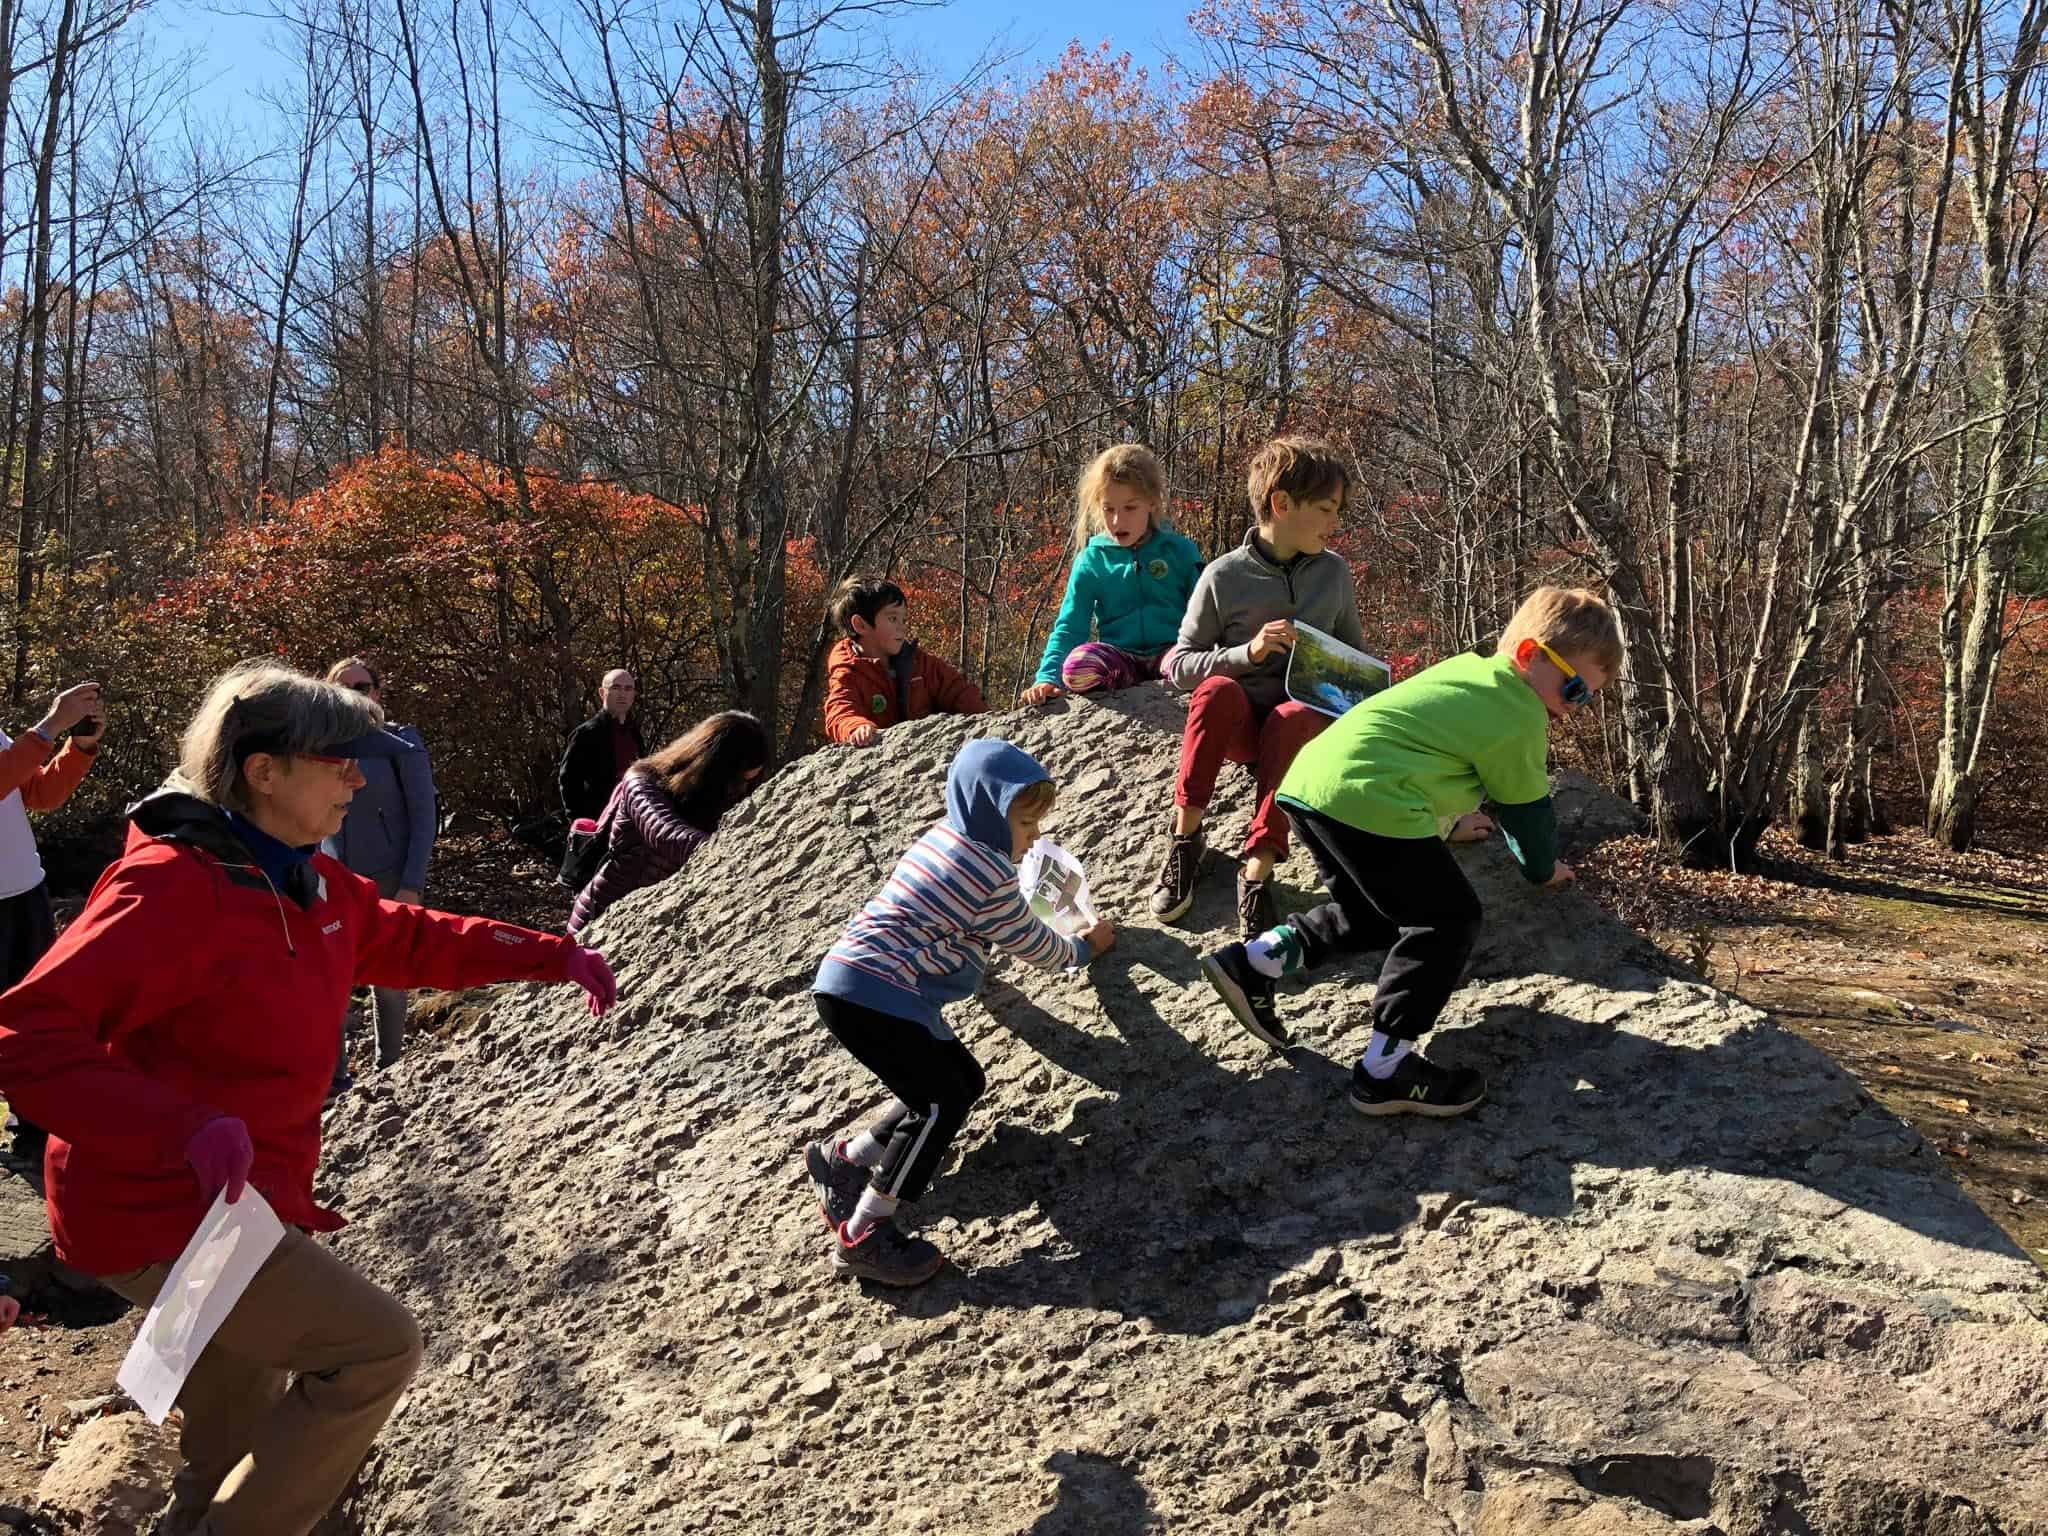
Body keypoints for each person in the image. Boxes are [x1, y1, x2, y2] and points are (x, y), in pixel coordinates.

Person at [0, 659, 618, 1536]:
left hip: (240, 1206)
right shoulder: (173, 888)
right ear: (264, 770)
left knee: (235, 1427)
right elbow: (25, 1036)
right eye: (340, 761)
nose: (360, 778)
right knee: (376, 1348)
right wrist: (184, 1126)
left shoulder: (302, 878)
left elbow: (404, 937)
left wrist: (546, 953)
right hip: (155, 1215)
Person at [1198, 587, 1621, 1117]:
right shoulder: (1520, 712)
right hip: (1372, 798)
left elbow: (1418, 749)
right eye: (1575, 689)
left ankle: (1252, 963)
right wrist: (1541, 870)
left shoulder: (1468, 673)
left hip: (1316, 783)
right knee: (1449, 919)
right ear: (1531, 655)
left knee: (1376, 915)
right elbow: (1527, 814)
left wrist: (1441, 825)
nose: (1573, 708)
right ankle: (1386, 1069)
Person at [806, 739, 1114, 1286]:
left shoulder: (946, 835)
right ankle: (865, 1236)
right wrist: (1087, 947)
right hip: (877, 995)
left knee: (962, 1081)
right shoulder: (988, 873)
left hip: (858, 984)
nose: (1035, 836)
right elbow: (1033, 943)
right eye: (1026, 825)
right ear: (992, 817)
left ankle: (846, 1160)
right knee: (937, 1103)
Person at [1153, 435, 1367, 939]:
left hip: (1302, 725)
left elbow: (1358, 659)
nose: (1334, 524)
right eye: (1325, 509)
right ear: (1281, 505)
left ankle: (1257, 872)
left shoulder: (1333, 574)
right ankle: (1186, 841)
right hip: (1243, 726)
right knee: (1216, 692)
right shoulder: (1222, 576)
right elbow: (1176, 664)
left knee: (1292, 719)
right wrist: (1245, 654)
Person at [1, 679, 106, 1161]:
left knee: (33, 1022)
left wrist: (78, 747)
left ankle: (35, 1128)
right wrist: (48, 726)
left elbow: (39, 793)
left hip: (25, 894)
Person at [1018, 445, 1203, 705]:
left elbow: (1207, 615)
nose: (1117, 521)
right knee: (1077, 667)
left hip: (1172, 652)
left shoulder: (1180, 552)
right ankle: (1128, 684)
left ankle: (1176, 675)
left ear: (1152, 503)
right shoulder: (1091, 560)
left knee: (1196, 664)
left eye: (1130, 508)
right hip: (1119, 660)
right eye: (1108, 509)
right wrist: (1048, 677)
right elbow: (1071, 625)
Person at [321, 658, 435, 1073]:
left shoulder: (399, 743)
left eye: (364, 686)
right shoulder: (315, 743)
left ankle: (389, 1067)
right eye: (345, 686)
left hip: (387, 877)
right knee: (330, 978)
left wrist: (411, 883)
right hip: (328, 877)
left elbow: (424, 817)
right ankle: (334, 1078)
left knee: (387, 977)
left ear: (378, 692)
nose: (356, 693)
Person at [568, 711, 769, 934]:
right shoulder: (642, 781)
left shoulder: (713, 798)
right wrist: (734, 854)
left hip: (654, 923)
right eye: (738, 779)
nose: (741, 789)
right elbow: (666, 834)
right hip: (600, 918)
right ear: (713, 765)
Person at [821, 576, 985, 747]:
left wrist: (986, 718)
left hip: (928, 748)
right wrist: (857, 727)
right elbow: (839, 710)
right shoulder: (849, 671)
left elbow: (957, 690)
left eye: (903, 620)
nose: (902, 627)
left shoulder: (919, 662)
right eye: (893, 619)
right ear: (861, 625)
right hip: (881, 758)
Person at [559, 668, 646, 821]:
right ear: (602, 693)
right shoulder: (587, 734)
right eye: (615, 687)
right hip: (599, 823)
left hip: (634, 821)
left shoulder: (634, 734)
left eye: (628, 689)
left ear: (633, 695)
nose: (622, 694)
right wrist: (580, 822)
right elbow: (569, 781)